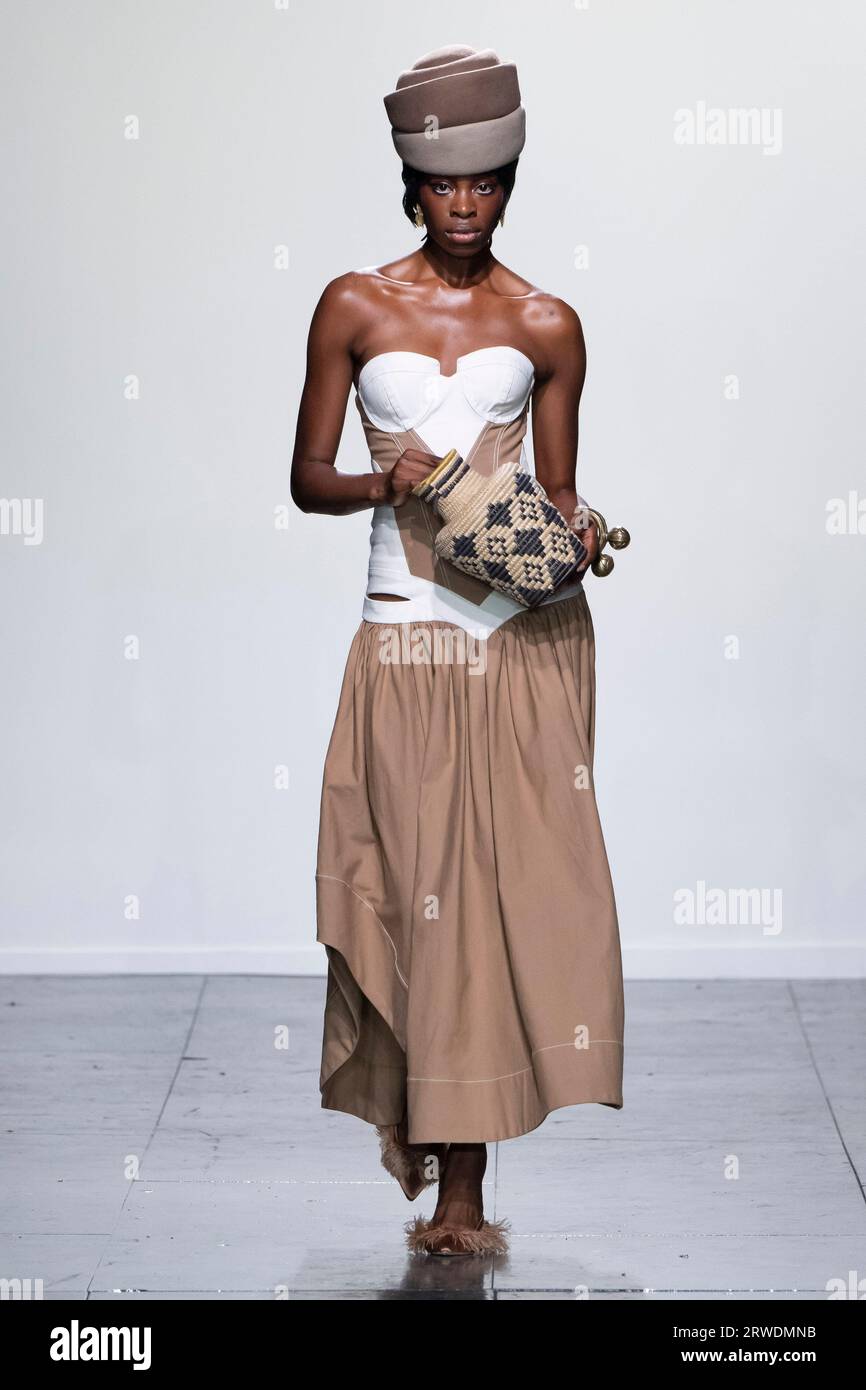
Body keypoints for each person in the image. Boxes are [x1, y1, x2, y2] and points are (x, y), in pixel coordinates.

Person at [291, 45, 625, 1257]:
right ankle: (426, 1137)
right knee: (399, 892)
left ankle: (463, 1195)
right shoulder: (351, 304)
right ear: (412, 184)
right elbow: (305, 477)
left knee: (474, 907)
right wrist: (378, 483)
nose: (467, 204)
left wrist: (575, 532)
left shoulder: (544, 323)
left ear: (509, 181)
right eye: (447, 185)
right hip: (395, 641)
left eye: (487, 183)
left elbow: (556, 502)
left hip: (496, 646)